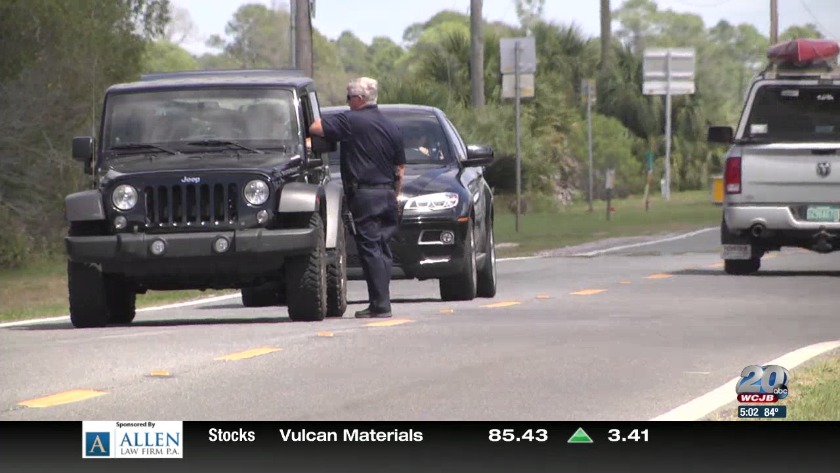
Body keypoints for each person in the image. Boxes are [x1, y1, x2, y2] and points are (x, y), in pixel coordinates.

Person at [309, 77, 406, 319]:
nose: (347, 102)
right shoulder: (391, 126)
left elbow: (315, 127)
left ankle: (381, 305)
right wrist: (395, 194)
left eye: (348, 98)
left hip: (365, 194)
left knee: (370, 248)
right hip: (387, 193)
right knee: (383, 247)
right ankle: (381, 300)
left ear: (359, 99)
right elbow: (400, 168)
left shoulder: (350, 120)